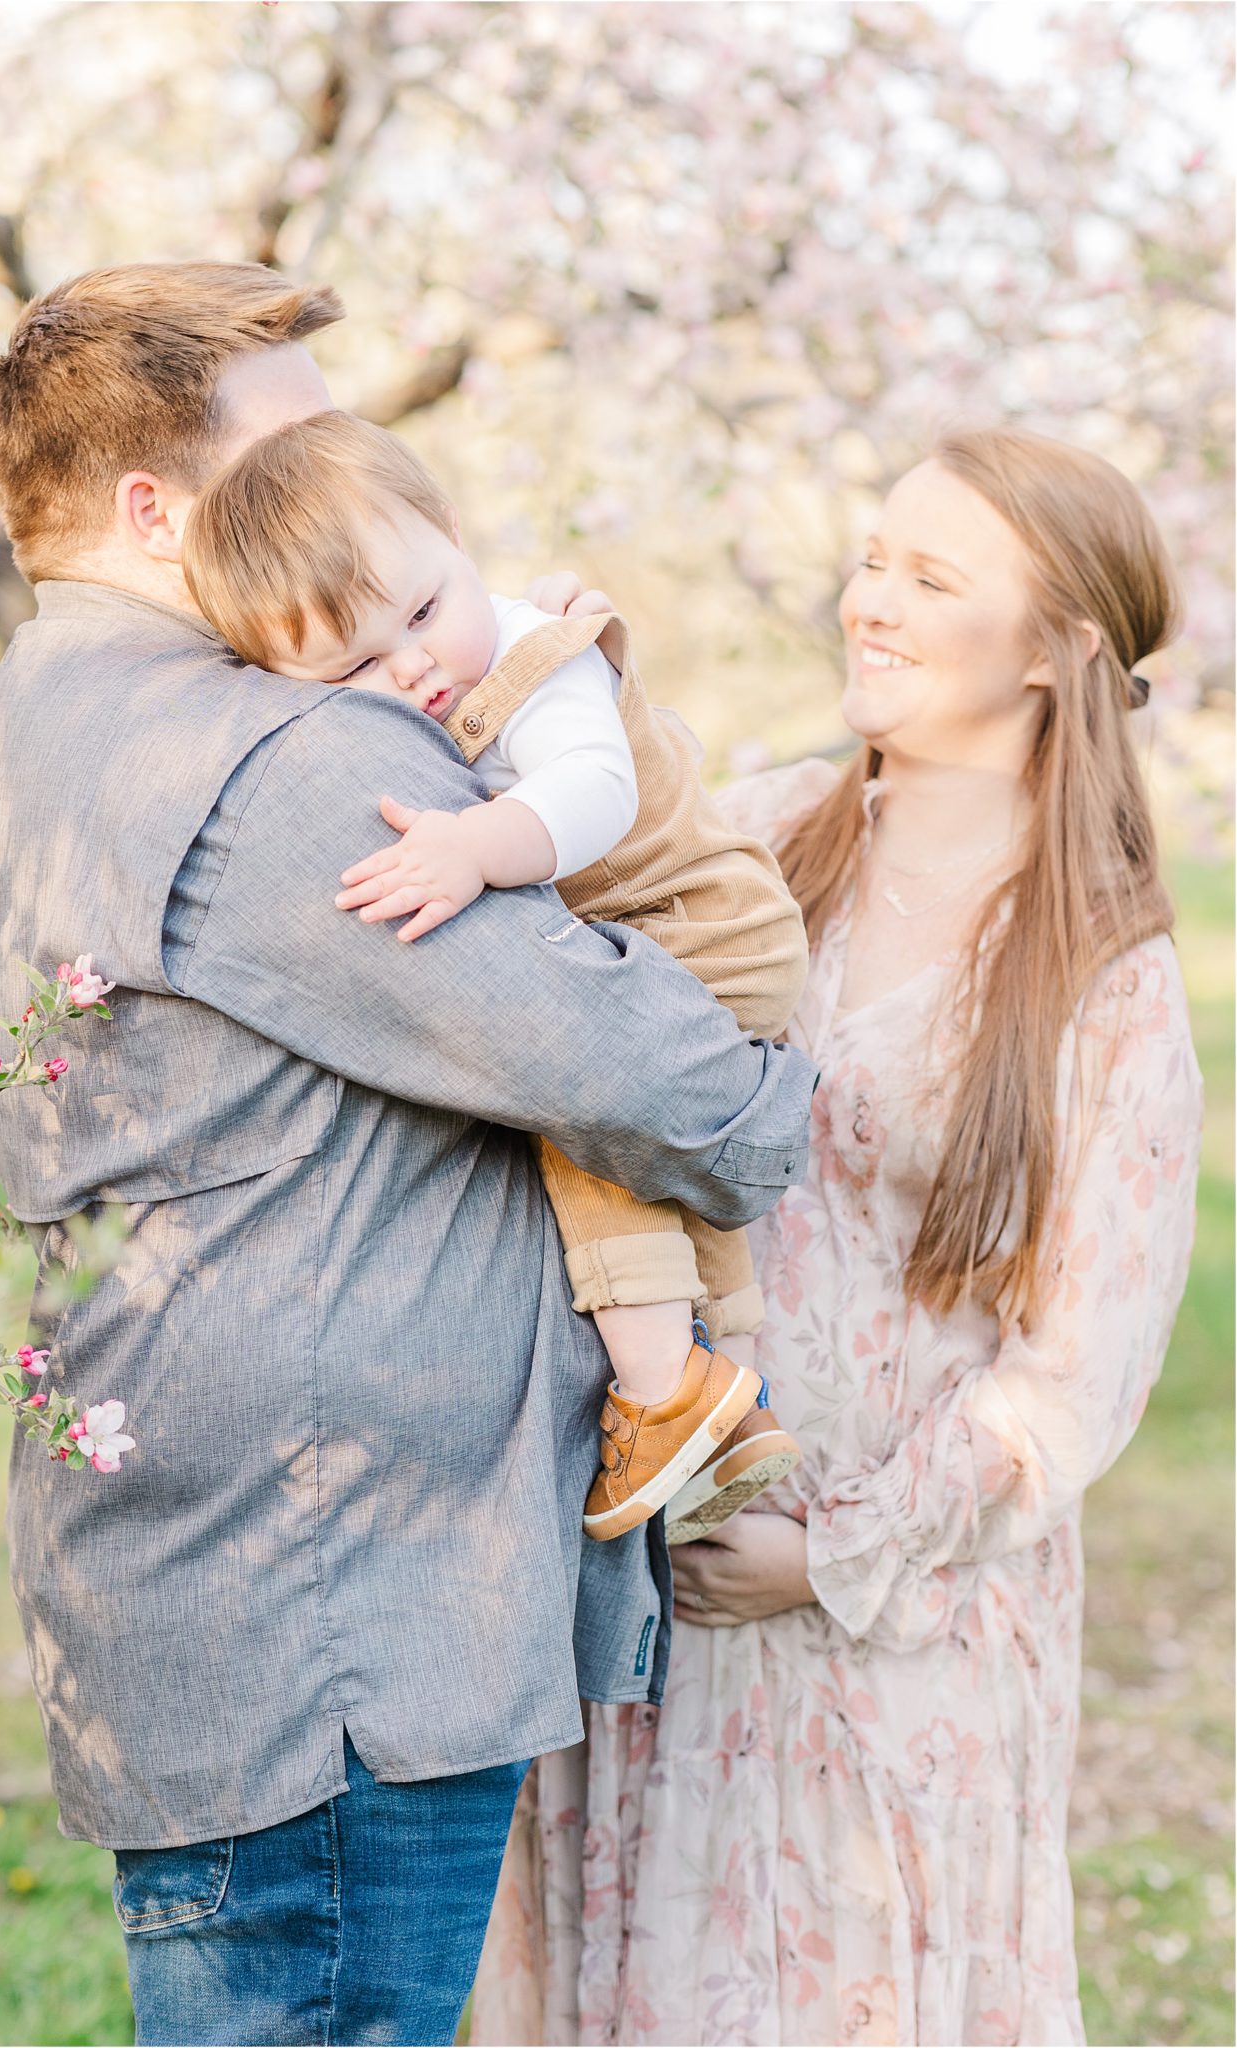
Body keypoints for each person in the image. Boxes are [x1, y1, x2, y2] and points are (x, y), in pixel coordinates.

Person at [0, 262, 820, 2048]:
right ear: (152, 504)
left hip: (212, 1586)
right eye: (302, 438)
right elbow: (677, 1095)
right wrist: (757, 1067)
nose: (355, 465)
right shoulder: (276, 747)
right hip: (338, 1612)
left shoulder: (27, 730)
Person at [471, 428, 1204, 2047]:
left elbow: (1071, 1376)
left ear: (1058, 649)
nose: (870, 598)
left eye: (933, 577)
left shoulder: (1105, 976)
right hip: (654, 1552)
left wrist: (831, 1554)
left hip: (897, 1619)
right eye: (875, 554)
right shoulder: (763, 832)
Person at [181, 408, 807, 1544]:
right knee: (663, 1168)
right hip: (669, 928)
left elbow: (590, 792)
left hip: (704, 922)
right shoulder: (446, 655)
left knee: (588, 1114)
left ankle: (663, 1390)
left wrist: (476, 847)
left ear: (457, 537)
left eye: (423, 611)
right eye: (358, 664)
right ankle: (736, 1389)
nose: (414, 664)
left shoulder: (533, 660)